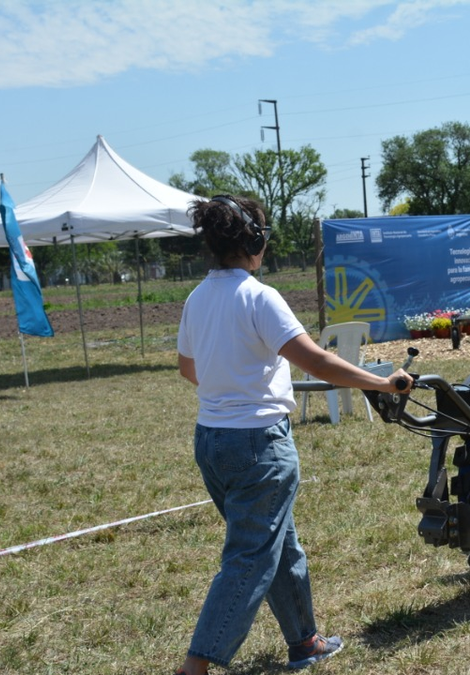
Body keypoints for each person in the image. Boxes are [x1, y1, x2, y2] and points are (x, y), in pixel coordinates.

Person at [173, 195, 410, 674]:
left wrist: (233, 383)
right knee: (249, 558)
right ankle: (195, 667)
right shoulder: (259, 296)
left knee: (278, 543)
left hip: (212, 441)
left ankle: (305, 642)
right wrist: (383, 383)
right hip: (259, 445)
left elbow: (188, 368)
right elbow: (318, 362)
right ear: (255, 240)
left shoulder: (198, 298)